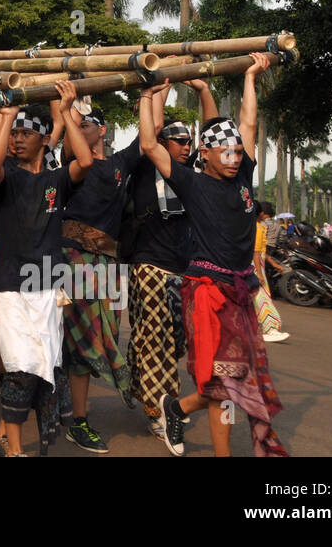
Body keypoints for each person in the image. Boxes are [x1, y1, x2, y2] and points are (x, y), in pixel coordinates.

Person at [142, 53, 288, 458]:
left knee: (234, 377)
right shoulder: (188, 181)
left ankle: (178, 406)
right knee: (222, 381)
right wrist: (146, 93)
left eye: (238, 152)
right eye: (224, 152)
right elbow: (149, 145)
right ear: (203, 153)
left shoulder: (242, 176)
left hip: (241, 291)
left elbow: (249, 123)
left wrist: (250, 77)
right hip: (206, 293)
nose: (233, 158)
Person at [0, 83, 92, 458]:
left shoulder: (55, 181)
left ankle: (5, 438)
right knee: (18, 364)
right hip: (11, 285)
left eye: (25, 133)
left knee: (44, 362)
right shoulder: (7, 178)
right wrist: (8, 114)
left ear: (44, 139)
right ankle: (14, 450)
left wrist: (65, 110)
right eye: (13, 134)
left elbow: (86, 162)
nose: (16, 140)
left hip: (48, 283)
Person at [122, 81, 211, 437]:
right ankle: (161, 408)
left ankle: (137, 370)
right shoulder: (147, 166)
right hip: (149, 262)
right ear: (163, 144)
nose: (186, 147)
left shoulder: (192, 177)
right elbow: (151, 130)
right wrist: (162, 84)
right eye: (180, 141)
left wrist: (203, 90)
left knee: (175, 339)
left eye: (190, 141)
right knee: (156, 339)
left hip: (182, 267)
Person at [55, 102, 141, 453]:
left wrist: (153, 93)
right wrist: (67, 110)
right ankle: (78, 421)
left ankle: (69, 408)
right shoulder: (73, 164)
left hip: (108, 263)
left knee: (102, 336)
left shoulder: (120, 164)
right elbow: (69, 143)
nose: (79, 127)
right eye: (75, 124)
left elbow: (148, 136)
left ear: (102, 130)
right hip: (71, 259)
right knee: (78, 343)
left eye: (86, 123)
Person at [253, 201, 290, 343]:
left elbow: (261, 252)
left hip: (257, 264)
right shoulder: (257, 228)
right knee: (261, 297)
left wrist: (273, 264)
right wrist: (260, 273)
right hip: (256, 266)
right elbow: (256, 253)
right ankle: (270, 328)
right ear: (261, 214)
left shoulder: (258, 227)